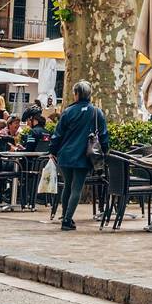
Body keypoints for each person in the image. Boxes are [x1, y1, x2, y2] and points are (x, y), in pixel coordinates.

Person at [47, 80, 109, 231]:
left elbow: (58, 134)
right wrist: (104, 152)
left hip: (65, 155)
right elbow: (104, 135)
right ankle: (67, 219)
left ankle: (65, 217)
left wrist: (53, 151)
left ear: (77, 94)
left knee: (67, 186)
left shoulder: (68, 112)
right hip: (84, 155)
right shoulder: (96, 112)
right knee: (77, 188)